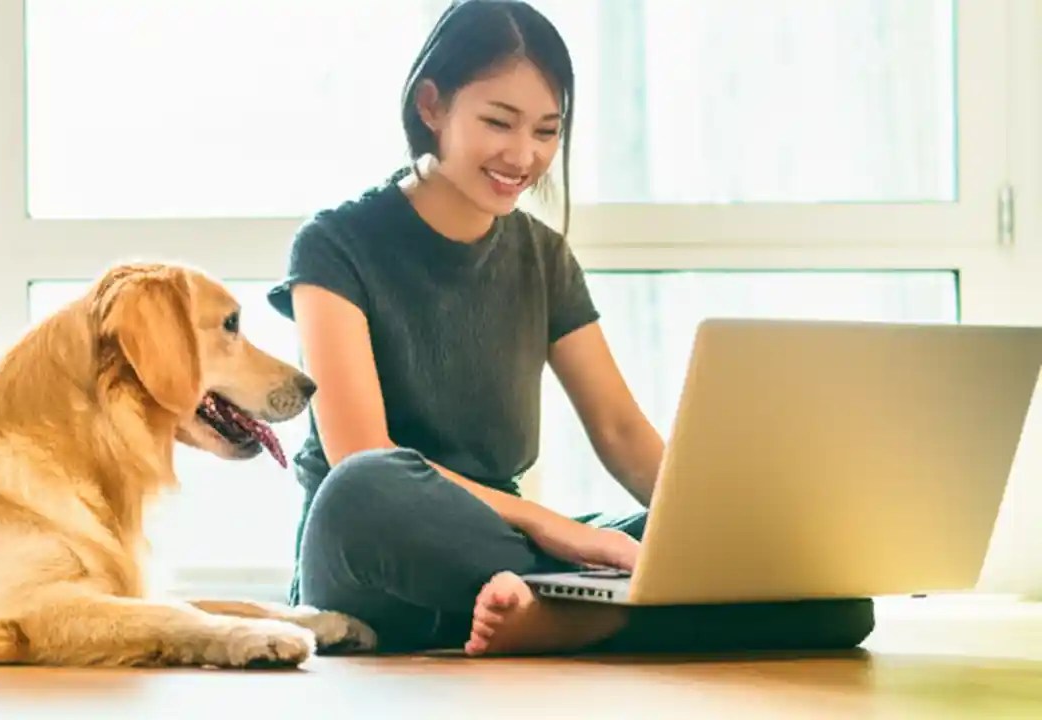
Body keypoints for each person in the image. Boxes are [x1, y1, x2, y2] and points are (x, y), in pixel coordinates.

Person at [267, 0, 873, 655]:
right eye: (499, 122)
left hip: (506, 559)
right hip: (380, 556)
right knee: (366, 486)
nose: (523, 155)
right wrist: (565, 534)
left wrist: (726, 534)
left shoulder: (543, 256)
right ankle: (597, 618)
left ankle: (567, 618)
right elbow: (361, 451)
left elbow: (620, 431)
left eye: (547, 131)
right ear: (432, 106)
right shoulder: (335, 245)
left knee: (829, 592)